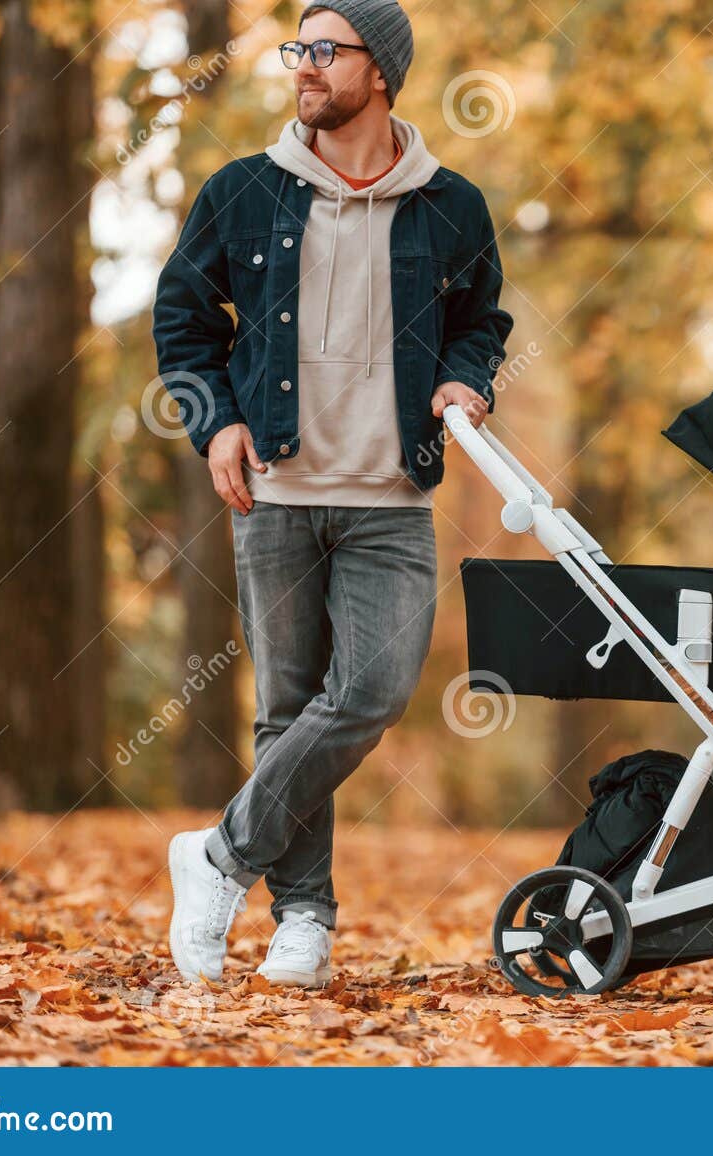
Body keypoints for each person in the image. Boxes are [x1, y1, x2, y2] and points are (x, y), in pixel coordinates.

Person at [152, 0, 512, 987]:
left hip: (392, 499)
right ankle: (301, 917)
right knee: (284, 707)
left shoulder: (451, 205)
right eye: (295, 49)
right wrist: (215, 419)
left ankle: (219, 852)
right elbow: (181, 322)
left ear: (380, 72)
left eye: (323, 50)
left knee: (371, 691)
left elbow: (484, 319)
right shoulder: (241, 193)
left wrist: (465, 375)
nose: (302, 67)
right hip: (275, 491)